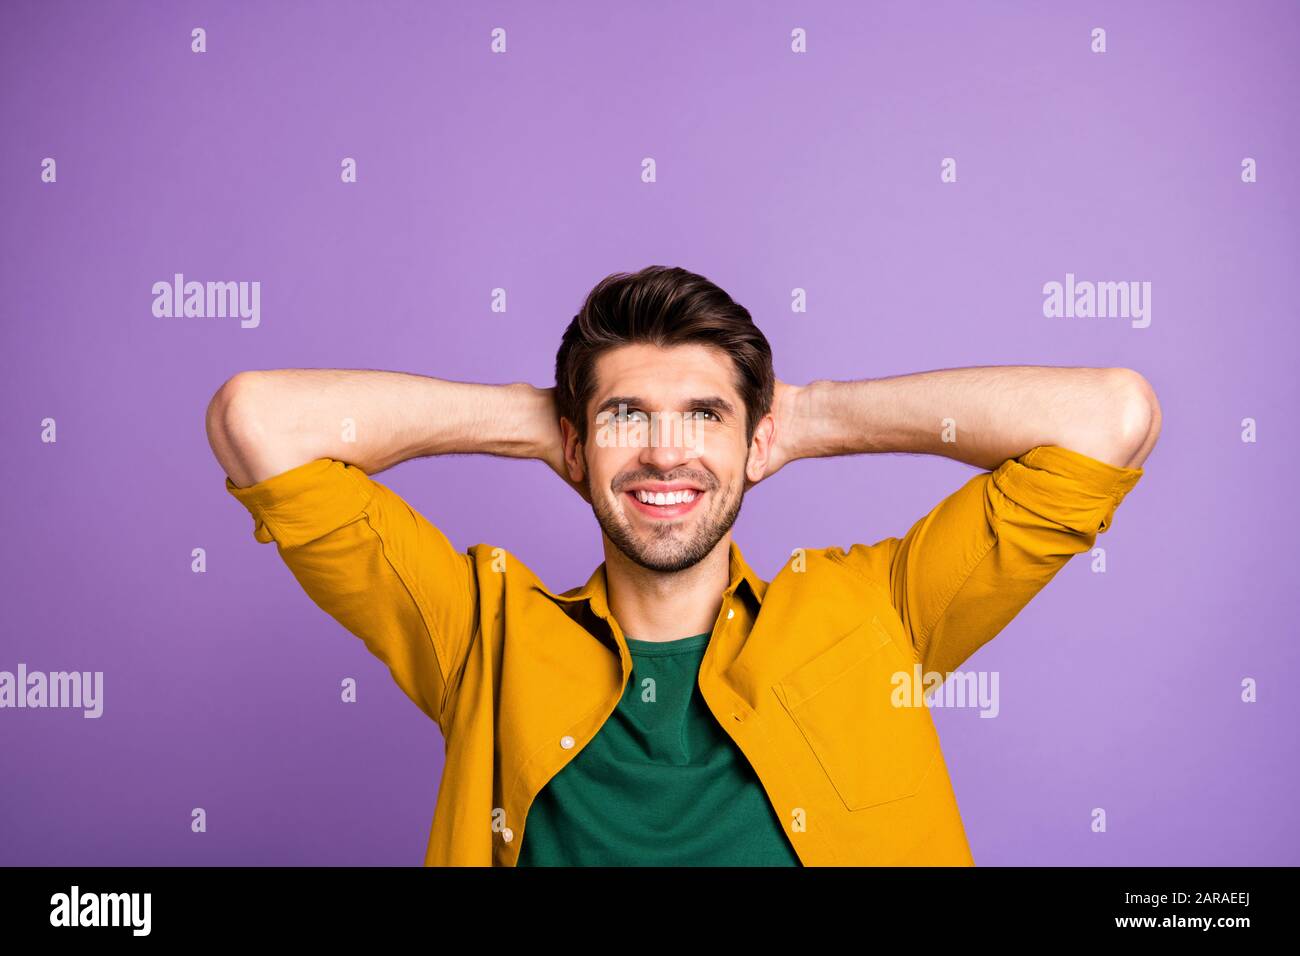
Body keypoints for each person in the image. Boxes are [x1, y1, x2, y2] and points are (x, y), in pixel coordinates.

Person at [205, 265, 1160, 866]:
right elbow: (258, 422)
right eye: (630, 418)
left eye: (705, 415)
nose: (667, 454)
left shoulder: (880, 614)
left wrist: (813, 415)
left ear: (758, 440)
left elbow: (1110, 417)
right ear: (574, 448)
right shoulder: (480, 637)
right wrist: (542, 421)